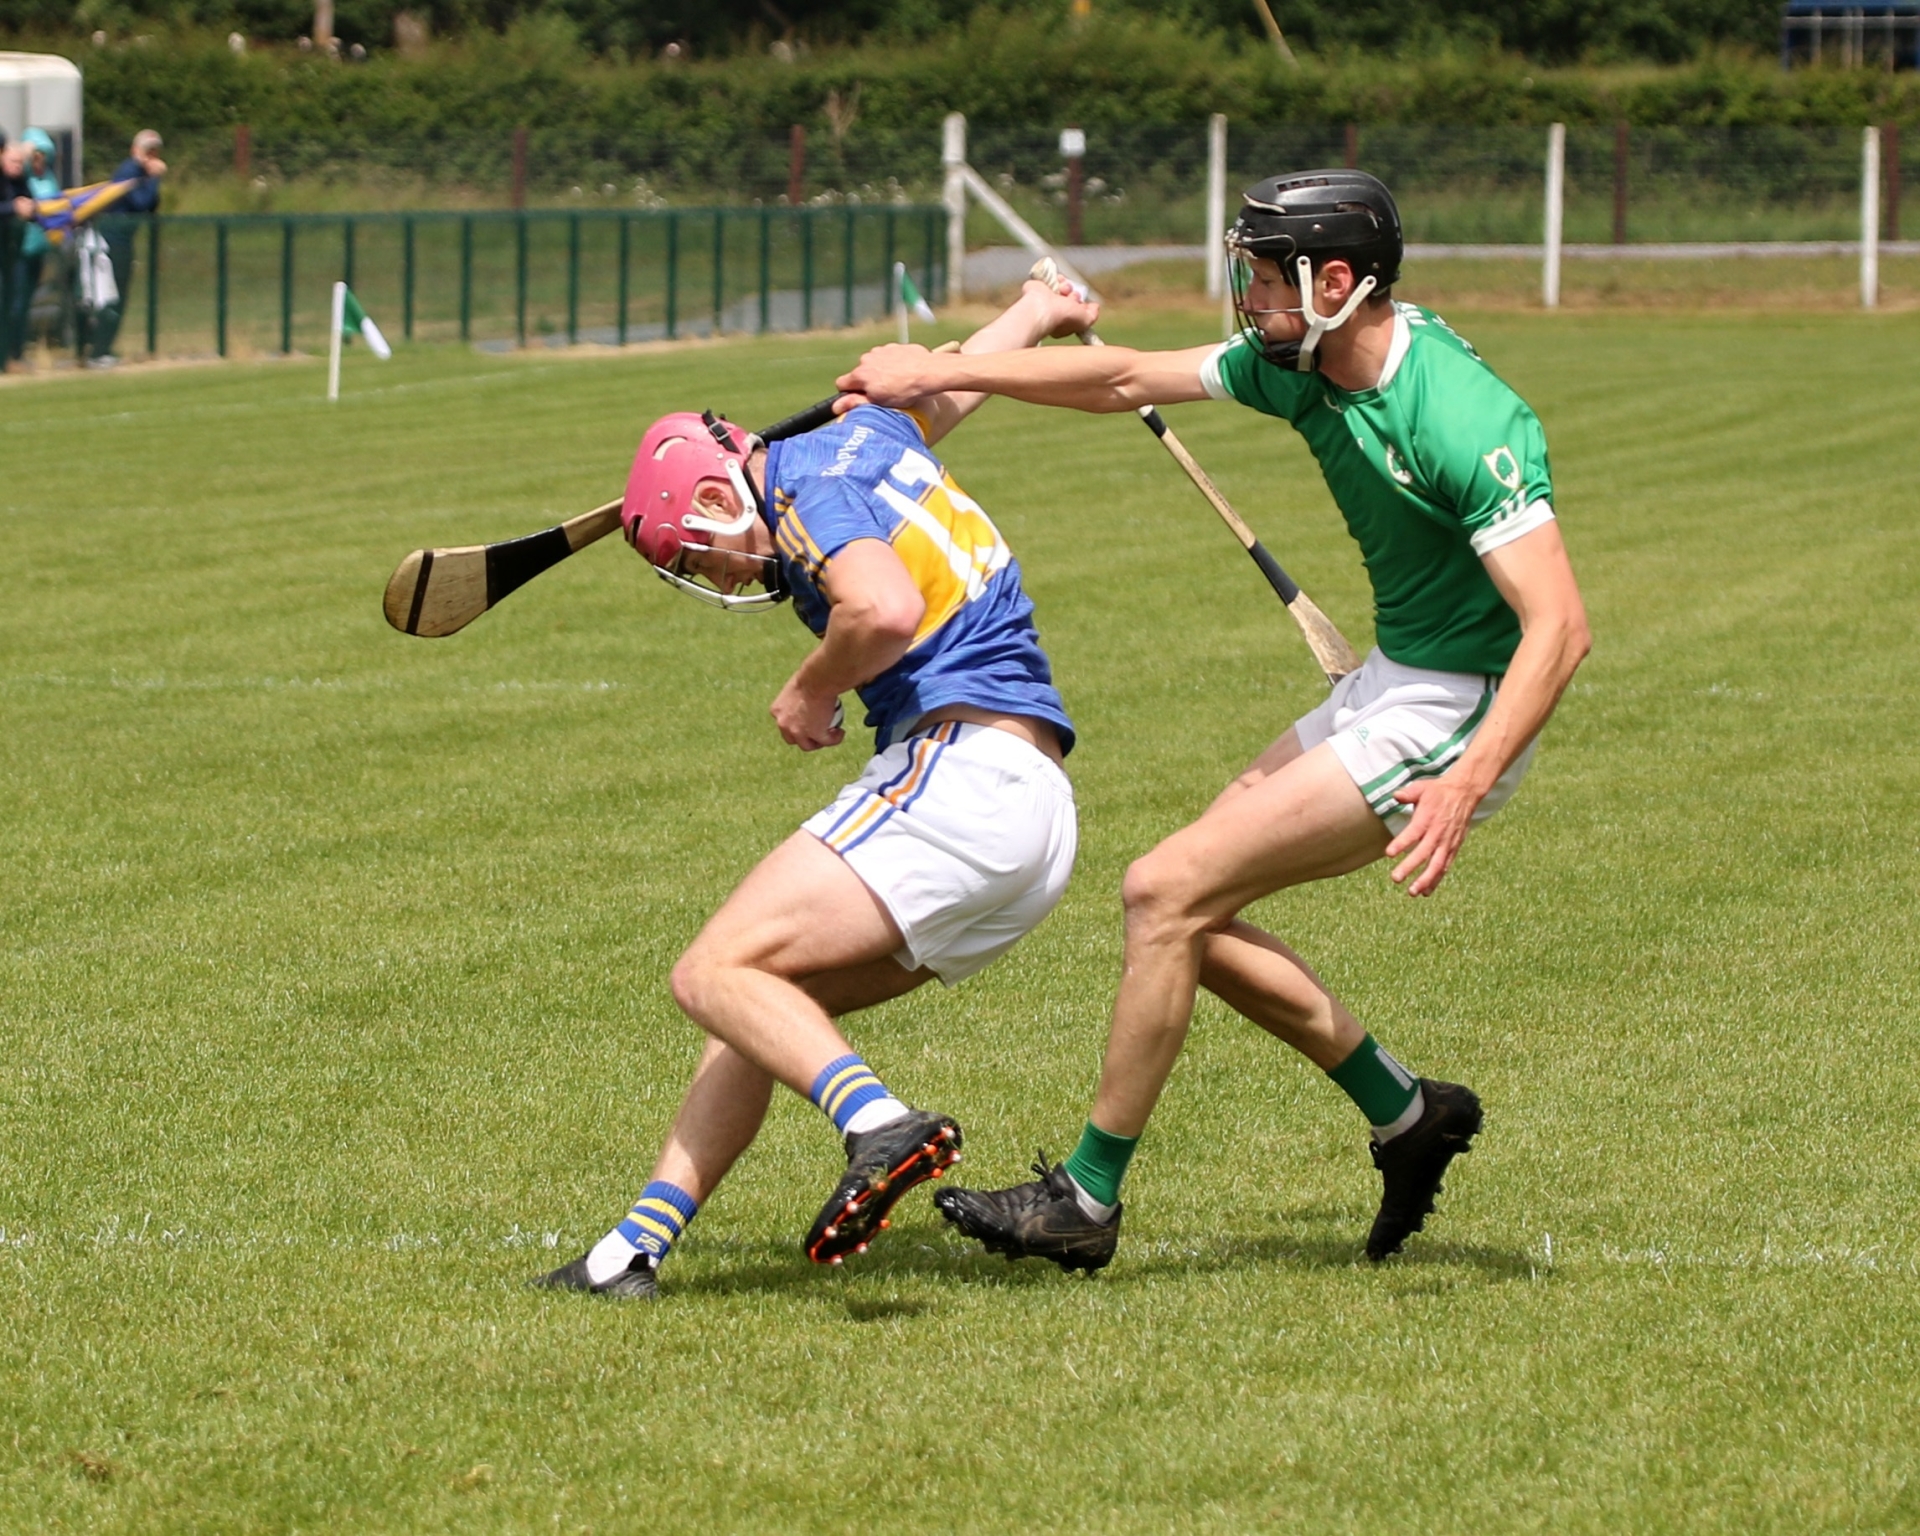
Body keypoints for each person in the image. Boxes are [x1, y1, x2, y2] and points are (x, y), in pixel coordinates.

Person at [838, 169, 1591, 1268]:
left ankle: (1085, 1203)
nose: (1247, 300)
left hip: (1459, 707)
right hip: (1394, 677)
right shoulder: (1306, 362)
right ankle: (1408, 1116)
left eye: (1263, 278)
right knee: (1194, 914)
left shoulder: (1463, 418)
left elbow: (1559, 628)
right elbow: (1124, 377)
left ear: (1336, 282)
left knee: (1164, 890)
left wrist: (1469, 782)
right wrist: (948, 367)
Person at [536, 275, 1097, 1299]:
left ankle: (881, 1125)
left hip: (960, 768)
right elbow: (949, 390)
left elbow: (878, 610)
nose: (727, 583)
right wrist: (1038, 309)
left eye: (707, 562)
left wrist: (806, 689)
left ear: (716, 496)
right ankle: (633, 1251)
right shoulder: (867, 439)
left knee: (708, 971)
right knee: (756, 1002)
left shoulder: (801, 489)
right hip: (1035, 815)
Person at [87, 128, 165, 368]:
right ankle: (98, 351)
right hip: (112, 242)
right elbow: (140, 202)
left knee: (118, 295)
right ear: (135, 150)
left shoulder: (140, 173)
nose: (151, 156)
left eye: (155, 152)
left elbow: (151, 206)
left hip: (122, 241)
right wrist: (154, 178)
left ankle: (104, 349)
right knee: (110, 296)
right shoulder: (130, 171)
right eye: (147, 151)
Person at [9, 129, 61, 362]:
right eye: (36, 157)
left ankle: (17, 350)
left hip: (39, 250)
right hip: (18, 250)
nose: (40, 162)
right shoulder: (21, 177)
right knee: (15, 302)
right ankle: (12, 352)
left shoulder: (49, 178)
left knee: (26, 302)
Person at [0, 138, 33, 369]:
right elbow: (13, 207)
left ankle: (6, 358)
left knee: (10, 303)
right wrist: (13, 207)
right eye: (13, 160)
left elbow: (30, 201)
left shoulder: (18, 180)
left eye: (21, 162)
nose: (17, 165)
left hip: (9, 253)